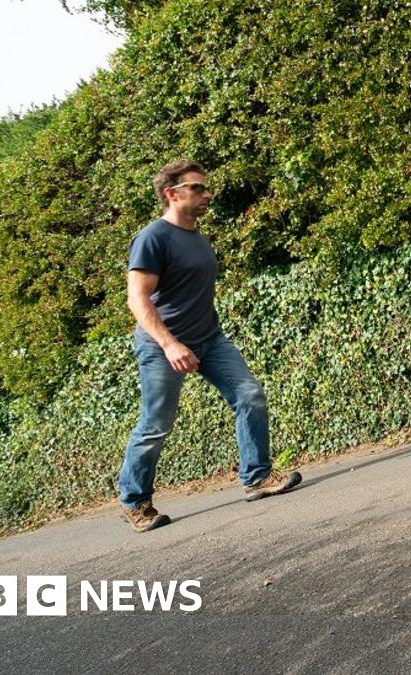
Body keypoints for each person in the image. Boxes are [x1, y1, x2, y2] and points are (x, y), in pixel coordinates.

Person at [118, 159, 301, 532]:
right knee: (156, 424)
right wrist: (170, 344)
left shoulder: (197, 239)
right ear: (172, 194)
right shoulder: (153, 237)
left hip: (209, 339)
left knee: (249, 395)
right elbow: (137, 299)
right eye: (197, 188)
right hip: (162, 345)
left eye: (206, 188)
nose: (207, 194)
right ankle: (135, 502)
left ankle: (257, 477)